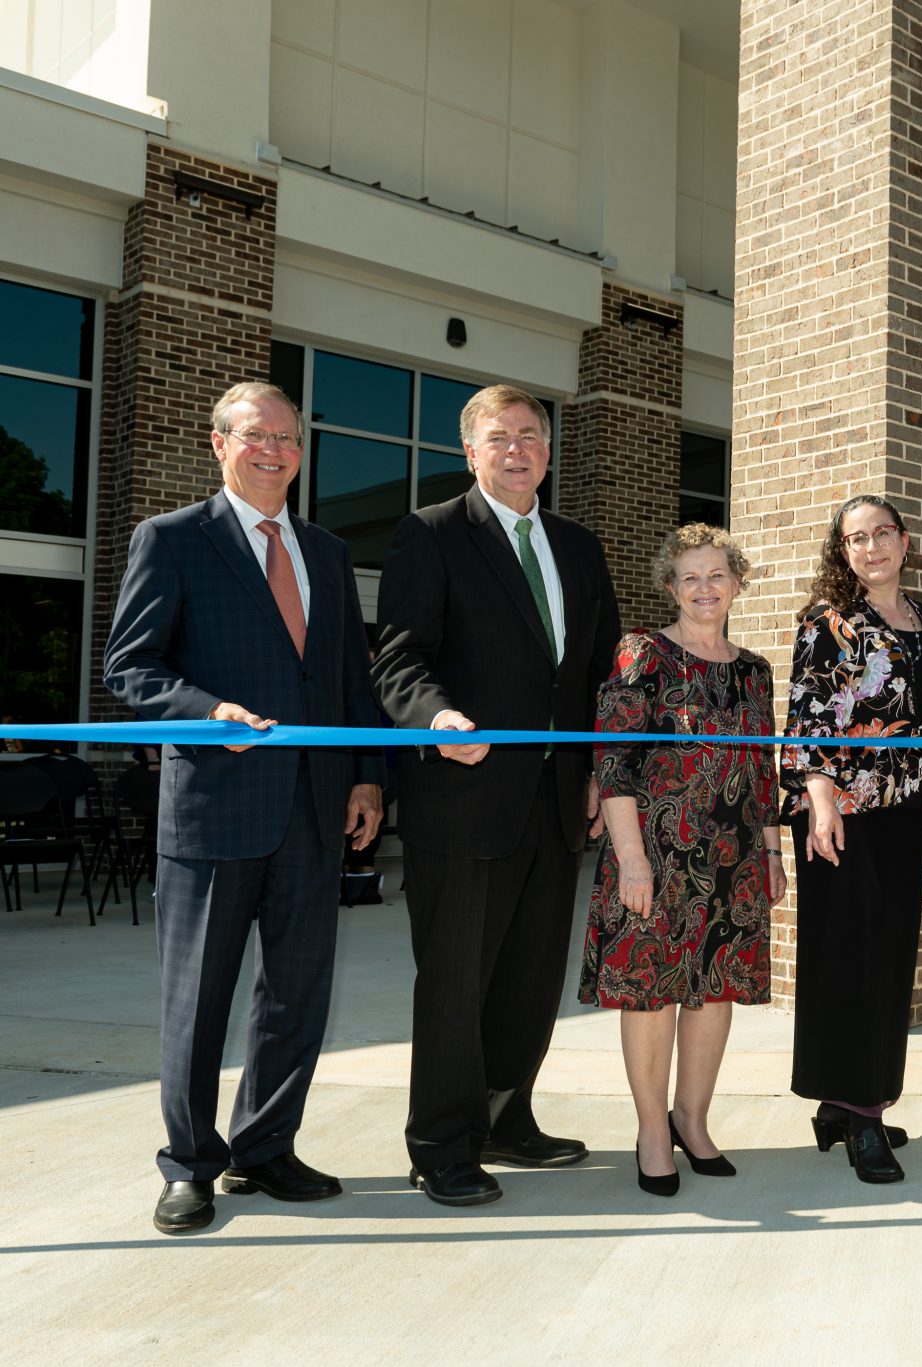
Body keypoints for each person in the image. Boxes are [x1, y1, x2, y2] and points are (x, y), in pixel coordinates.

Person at [104, 381, 384, 1235]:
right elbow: (130, 666)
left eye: (289, 439)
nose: (274, 451)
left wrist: (368, 776)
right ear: (218, 441)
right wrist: (204, 709)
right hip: (216, 808)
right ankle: (190, 1164)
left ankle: (267, 1148)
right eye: (256, 435)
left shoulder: (328, 553)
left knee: (296, 992)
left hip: (312, 807)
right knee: (200, 997)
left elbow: (348, 680)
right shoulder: (173, 540)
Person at [372, 384, 621, 1208]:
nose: (517, 449)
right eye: (498, 436)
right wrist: (436, 714)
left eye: (530, 436)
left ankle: (507, 1116)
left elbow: (596, 674)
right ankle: (441, 1143)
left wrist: (599, 769)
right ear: (468, 451)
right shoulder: (432, 533)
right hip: (463, 797)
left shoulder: (579, 548)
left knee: (527, 976)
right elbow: (400, 659)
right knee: (455, 981)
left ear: (549, 451)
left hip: (555, 801)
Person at [580, 526, 785, 1196]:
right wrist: (632, 859)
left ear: (736, 583)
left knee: (716, 987)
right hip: (655, 854)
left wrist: (775, 852)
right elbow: (613, 761)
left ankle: (691, 1120)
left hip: (735, 854)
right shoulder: (644, 654)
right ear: (671, 586)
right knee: (651, 992)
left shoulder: (754, 670)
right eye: (690, 576)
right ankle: (649, 1131)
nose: (705, 588)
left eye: (717, 575)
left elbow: (764, 769)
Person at [782, 494, 922, 1184]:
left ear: (904, 540)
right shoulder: (828, 622)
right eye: (857, 538)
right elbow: (808, 711)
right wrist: (819, 794)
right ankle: (863, 1113)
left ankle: (844, 1099)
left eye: (882, 533)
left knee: (889, 955)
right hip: (842, 813)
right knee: (849, 955)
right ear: (845, 551)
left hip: (904, 809)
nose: (872, 546)